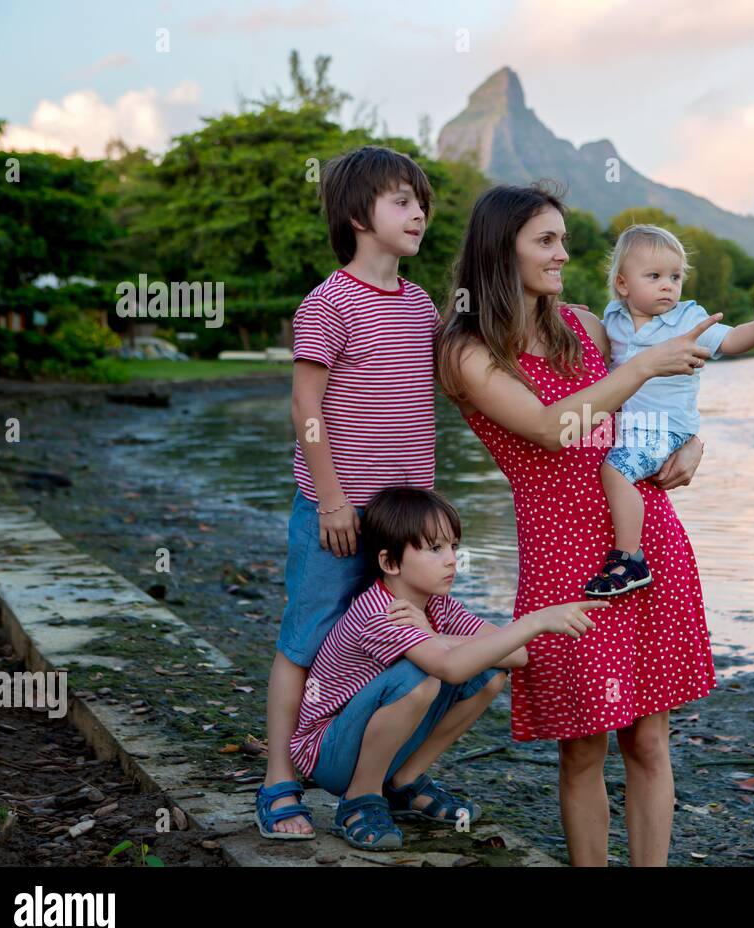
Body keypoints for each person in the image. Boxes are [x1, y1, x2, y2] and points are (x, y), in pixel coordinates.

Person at [435, 181, 716, 866]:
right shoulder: (468, 352)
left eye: (563, 239)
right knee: (584, 744)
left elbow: (655, 403)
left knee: (650, 739)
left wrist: (692, 443)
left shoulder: (588, 327)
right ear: (505, 249)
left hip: (646, 540)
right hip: (566, 560)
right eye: (547, 241)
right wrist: (649, 358)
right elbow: (553, 428)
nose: (563, 254)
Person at [256, 145, 444, 840]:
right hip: (337, 513)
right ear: (357, 215)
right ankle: (280, 776)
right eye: (401, 200)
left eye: (420, 201)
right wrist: (332, 501)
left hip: (405, 523)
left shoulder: (421, 303)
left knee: (400, 645)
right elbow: (305, 402)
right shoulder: (330, 301)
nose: (418, 211)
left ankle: (383, 777)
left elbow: (454, 374)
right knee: (306, 641)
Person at [289, 486, 607, 849]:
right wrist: (536, 621)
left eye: (454, 547)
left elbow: (516, 657)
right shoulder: (381, 611)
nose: (452, 560)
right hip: (329, 751)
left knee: (489, 673)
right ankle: (360, 798)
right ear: (390, 563)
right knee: (419, 678)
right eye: (435, 549)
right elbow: (450, 668)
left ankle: (403, 784)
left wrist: (433, 634)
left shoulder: (437, 605)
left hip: (378, 743)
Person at [586, 224, 754, 597]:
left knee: (615, 471)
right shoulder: (614, 320)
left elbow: (730, 339)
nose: (668, 285)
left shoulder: (687, 319)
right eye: (654, 276)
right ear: (622, 284)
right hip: (631, 427)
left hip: (666, 428)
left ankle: (630, 559)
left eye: (675, 276)